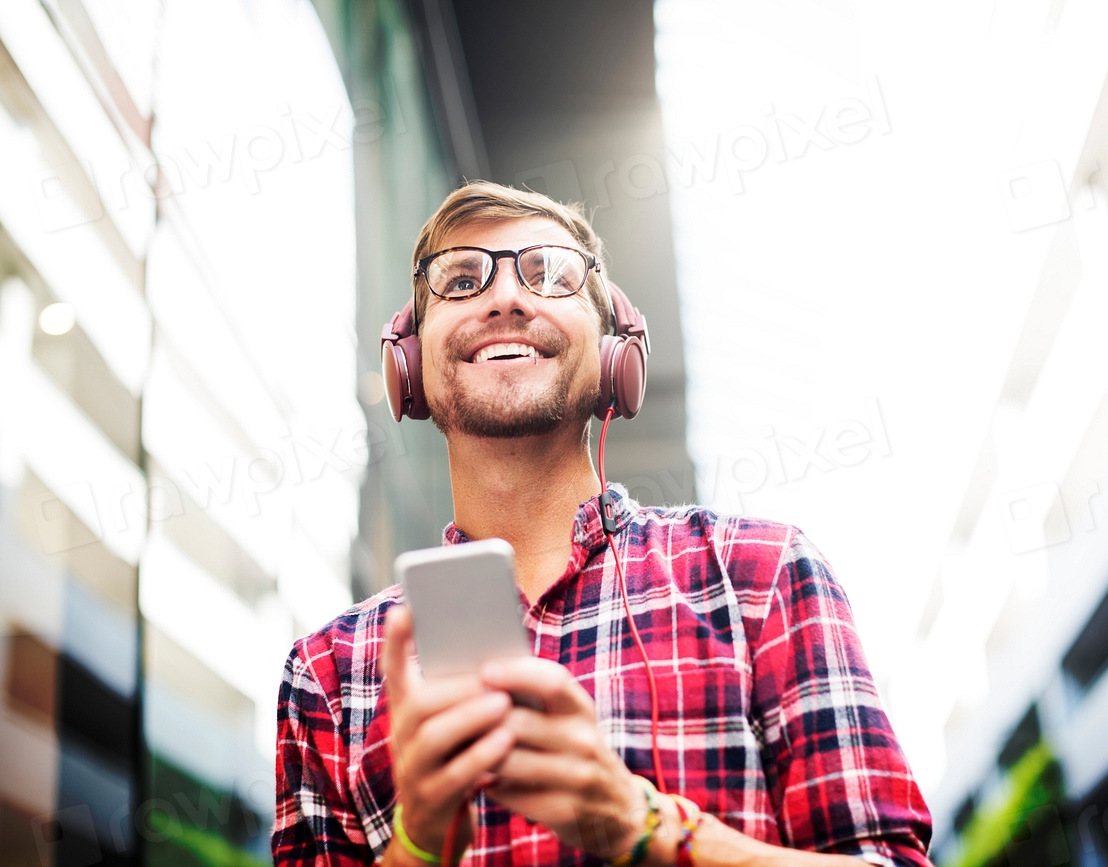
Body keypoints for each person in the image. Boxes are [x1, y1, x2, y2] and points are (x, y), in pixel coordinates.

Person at [272, 181, 933, 867]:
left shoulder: (762, 576)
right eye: (462, 280)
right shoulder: (328, 675)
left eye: (550, 274)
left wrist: (639, 823)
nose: (505, 298)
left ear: (619, 353)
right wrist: (417, 845)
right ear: (405, 363)